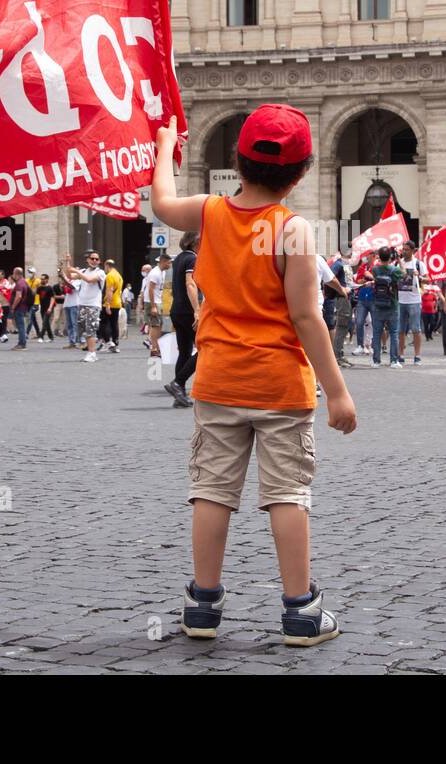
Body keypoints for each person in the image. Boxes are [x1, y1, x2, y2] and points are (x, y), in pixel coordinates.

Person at [151, 105, 356, 647]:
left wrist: (165, 146)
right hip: (280, 384)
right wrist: (337, 392)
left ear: (235, 163)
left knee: (211, 492)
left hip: (218, 380)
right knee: (287, 494)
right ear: (304, 171)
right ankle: (300, 614)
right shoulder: (293, 230)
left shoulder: (210, 212)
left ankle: (202, 607)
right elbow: (307, 318)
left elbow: (162, 203)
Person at [165, 234, 201, 406]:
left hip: (176, 310)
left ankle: (179, 395)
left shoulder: (179, 258)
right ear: (196, 243)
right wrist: (197, 310)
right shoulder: (193, 259)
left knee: (185, 352)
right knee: (206, 349)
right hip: (188, 311)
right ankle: (178, 383)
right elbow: (190, 284)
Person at [62, 251, 106, 362]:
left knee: (91, 329)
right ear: (88, 260)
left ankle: (92, 353)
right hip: (82, 303)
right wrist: (68, 262)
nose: (94, 261)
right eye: (92, 258)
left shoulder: (100, 273)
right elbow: (69, 276)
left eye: (96, 259)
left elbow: (89, 280)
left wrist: (76, 270)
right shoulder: (84, 271)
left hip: (93, 305)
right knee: (85, 329)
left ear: (99, 261)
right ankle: (91, 352)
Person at [368, 246, 402, 367]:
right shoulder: (395, 270)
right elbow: (403, 275)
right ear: (390, 257)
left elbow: (372, 274)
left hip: (378, 304)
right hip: (392, 304)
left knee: (377, 333)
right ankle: (394, 360)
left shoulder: (376, 270)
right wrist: (399, 260)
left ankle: (376, 360)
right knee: (393, 333)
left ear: (380, 256)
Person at [396, 240, 425, 366]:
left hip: (414, 300)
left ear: (413, 250)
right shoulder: (399, 264)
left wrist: (419, 276)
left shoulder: (418, 264)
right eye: (403, 249)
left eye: (407, 249)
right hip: (401, 300)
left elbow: (429, 279)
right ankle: (400, 354)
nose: (404, 251)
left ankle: (417, 355)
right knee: (400, 329)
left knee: (416, 329)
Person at [142, 255, 170, 357]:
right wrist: (153, 306)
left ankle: (156, 348)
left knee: (158, 325)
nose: (169, 264)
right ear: (163, 262)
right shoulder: (155, 273)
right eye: (168, 262)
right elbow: (150, 289)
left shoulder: (161, 272)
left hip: (157, 301)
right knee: (155, 325)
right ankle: (154, 349)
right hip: (152, 302)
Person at [100, 259, 124, 352]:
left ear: (107, 265)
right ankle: (115, 343)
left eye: (105, 267)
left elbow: (109, 291)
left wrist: (107, 304)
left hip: (110, 302)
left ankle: (108, 342)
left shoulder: (109, 275)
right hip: (117, 303)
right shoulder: (119, 275)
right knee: (114, 324)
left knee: (103, 323)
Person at [9, 267, 33, 349]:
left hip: (19, 307)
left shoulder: (19, 283)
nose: (13, 275)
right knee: (21, 326)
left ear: (16, 274)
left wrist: (13, 307)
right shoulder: (24, 282)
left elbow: (18, 296)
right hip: (22, 307)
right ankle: (22, 342)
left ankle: (22, 343)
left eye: (13, 273)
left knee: (20, 326)